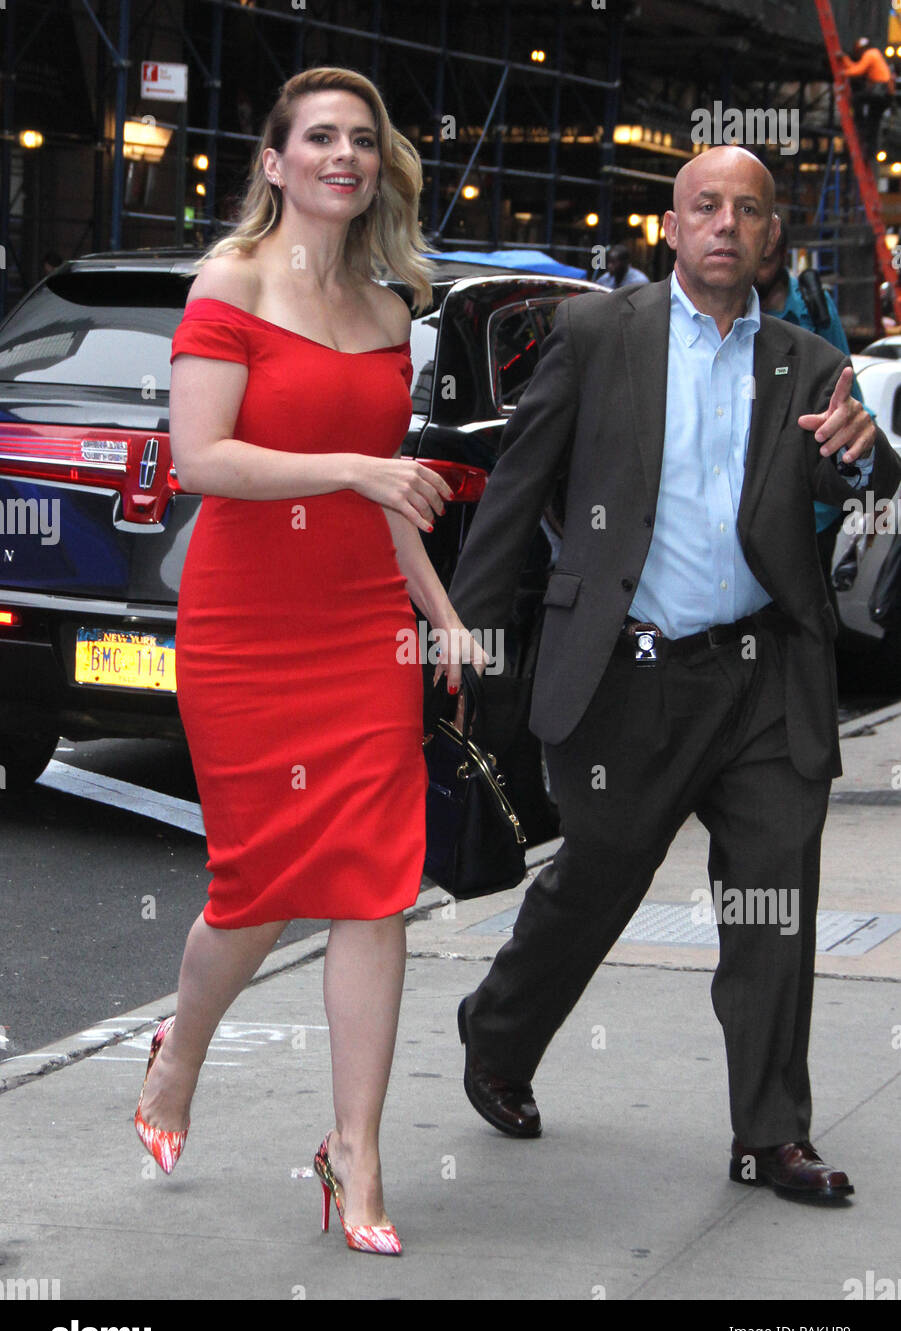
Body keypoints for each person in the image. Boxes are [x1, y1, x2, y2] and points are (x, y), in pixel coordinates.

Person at [449, 145, 899, 1202]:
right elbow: (517, 489)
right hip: (626, 673)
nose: (725, 225)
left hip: (762, 677)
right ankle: (498, 1032)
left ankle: (767, 1134)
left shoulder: (803, 359)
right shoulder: (598, 334)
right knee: (597, 880)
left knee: (771, 903)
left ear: (770, 234)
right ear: (670, 223)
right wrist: (462, 630)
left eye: (748, 210)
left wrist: (867, 450)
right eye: (705, 206)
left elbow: (864, 477)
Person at [133, 66, 477, 1256]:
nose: (344, 154)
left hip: (362, 625)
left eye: (363, 140)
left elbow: (392, 498)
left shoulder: (392, 312)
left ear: (379, 169)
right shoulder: (227, 281)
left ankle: (357, 1153)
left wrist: (438, 613)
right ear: (273, 164)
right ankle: (178, 1056)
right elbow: (202, 460)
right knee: (257, 886)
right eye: (318, 137)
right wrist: (352, 469)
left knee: (374, 887)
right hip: (247, 626)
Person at [754, 215, 872, 613]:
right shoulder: (735, 309)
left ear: (784, 255)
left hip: (809, 511)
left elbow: (849, 397)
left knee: (812, 618)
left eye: (767, 261)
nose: (757, 270)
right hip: (751, 505)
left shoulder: (813, 312)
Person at [841, 37, 895, 158]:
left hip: (880, 92)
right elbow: (856, 67)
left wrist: (843, 73)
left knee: (856, 99)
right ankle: (869, 151)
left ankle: (859, 124)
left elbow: (858, 70)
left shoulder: (870, 54)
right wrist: (845, 60)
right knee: (873, 122)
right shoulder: (874, 54)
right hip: (885, 95)